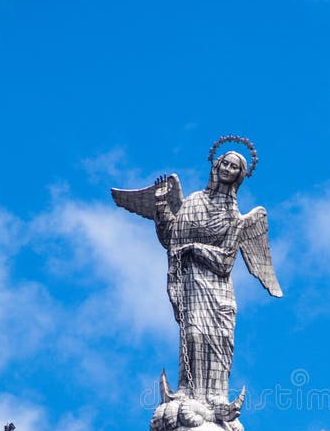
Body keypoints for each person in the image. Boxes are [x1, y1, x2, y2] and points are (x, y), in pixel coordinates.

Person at [112, 147, 281, 413]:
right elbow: (172, 239)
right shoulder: (193, 201)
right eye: (224, 163)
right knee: (193, 334)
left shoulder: (236, 218)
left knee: (221, 338)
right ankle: (188, 391)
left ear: (240, 175)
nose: (227, 169)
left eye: (233, 167)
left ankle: (216, 396)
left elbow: (226, 261)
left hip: (218, 287)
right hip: (193, 281)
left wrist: (195, 248)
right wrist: (160, 204)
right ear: (216, 166)